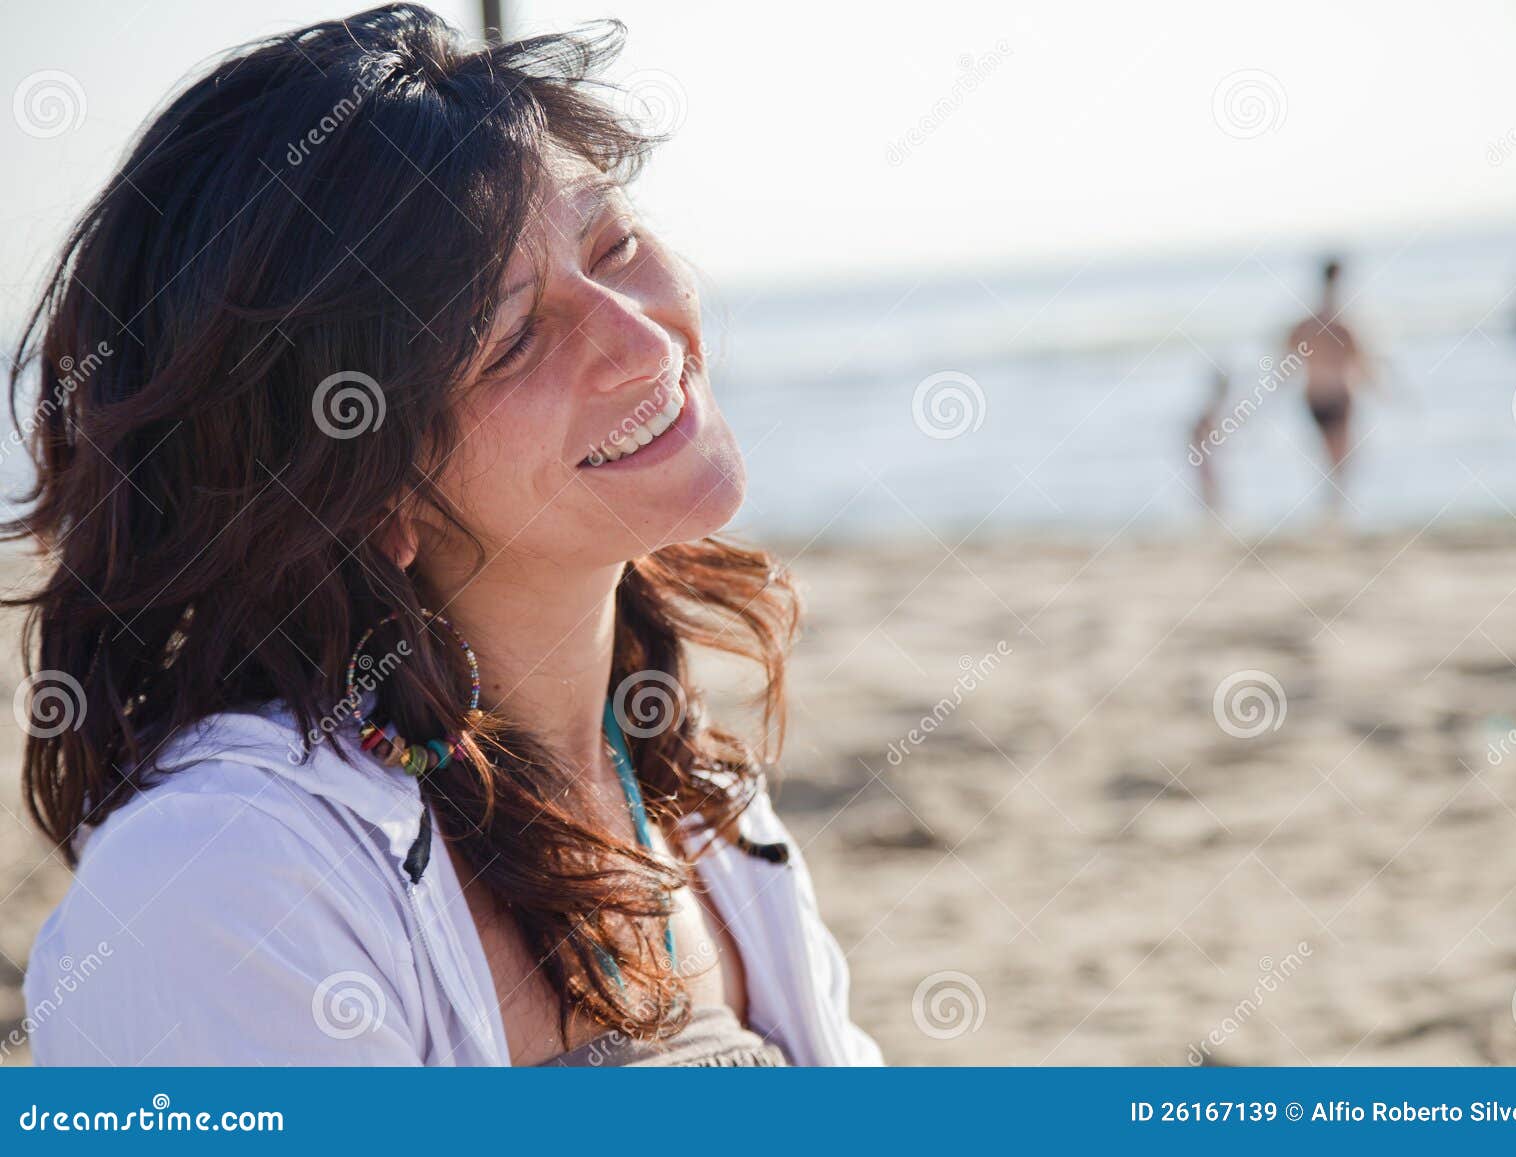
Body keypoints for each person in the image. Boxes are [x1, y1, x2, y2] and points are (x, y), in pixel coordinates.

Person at [8, 4, 880, 1067]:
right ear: (364, 490)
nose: (646, 340)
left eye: (616, 244)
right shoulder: (226, 887)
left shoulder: (699, 801)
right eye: (514, 341)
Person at [1286, 257, 1373, 499]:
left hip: (1314, 395)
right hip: (1337, 396)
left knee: (1329, 459)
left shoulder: (1304, 326)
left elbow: (1284, 367)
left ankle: (1332, 509)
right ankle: (1336, 508)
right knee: (1341, 459)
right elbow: (1363, 366)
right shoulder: (1341, 326)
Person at [1188, 367, 1230, 511]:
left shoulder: (1214, 403)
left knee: (1208, 479)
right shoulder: (1215, 403)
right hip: (1201, 447)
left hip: (1201, 447)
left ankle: (1211, 508)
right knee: (1208, 479)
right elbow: (1207, 429)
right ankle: (1211, 508)